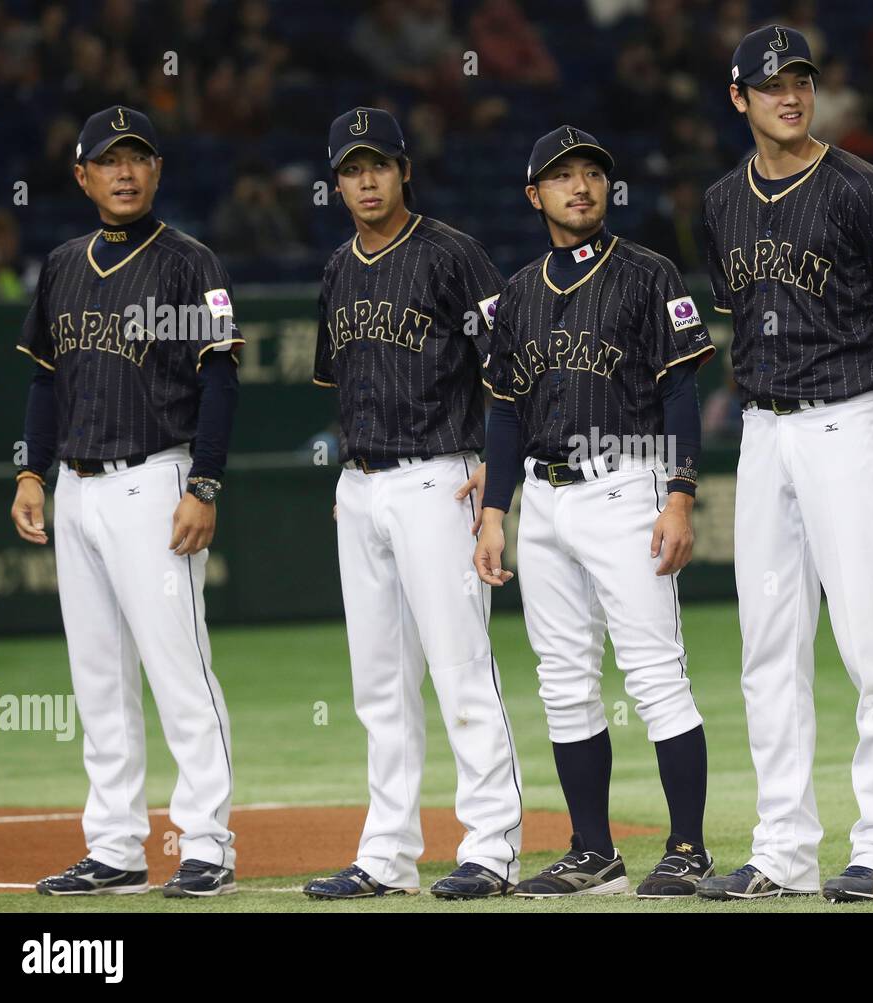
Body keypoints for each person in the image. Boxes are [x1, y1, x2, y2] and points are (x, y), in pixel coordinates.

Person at [697, 26, 873, 903]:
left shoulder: (864, 189)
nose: (789, 96)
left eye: (800, 80)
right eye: (770, 85)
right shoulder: (721, 201)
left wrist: (851, 385)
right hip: (765, 434)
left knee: (872, 641)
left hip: (849, 425)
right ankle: (783, 848)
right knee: (767, 647)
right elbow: (738, 316)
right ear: (739, 99)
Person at [476, 126, 717, 898]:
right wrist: (493, 510)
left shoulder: (649, 273)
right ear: (534, 195)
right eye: (561, 177)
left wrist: (681, 493)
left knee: (653, 673)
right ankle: (593, 850)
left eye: (591, 173)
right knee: (563, 679)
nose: (580, 186)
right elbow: (505, 412)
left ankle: (687, 847)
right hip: (543, 499)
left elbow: (682, 387)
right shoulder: (515, 294)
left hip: (627, 483)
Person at [14, 106, 243, 898]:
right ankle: (114, 845)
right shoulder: (63, 263)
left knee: (180, 668)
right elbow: (46, 380)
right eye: (108, 160)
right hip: (76, 487)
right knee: (99, 677)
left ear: (155, 171)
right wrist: (31, 473)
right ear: (81, 176)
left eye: (137, 157)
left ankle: (207, 843)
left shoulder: (190, 261)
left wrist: (205, 482)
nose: (123, 171)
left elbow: (220, 376)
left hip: (157, 478)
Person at [302, 107, 523, 902]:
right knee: (379, 685)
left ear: (404, 171)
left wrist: (497, 473)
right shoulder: (337, 268)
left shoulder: (452, 254)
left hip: (440, 477)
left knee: (462, 670)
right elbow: (344, 380)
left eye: (379, 166)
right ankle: (387, 854)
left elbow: (514, 363)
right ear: (337, 183)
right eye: (352, 169)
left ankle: (492, 846)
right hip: (363, 487)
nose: (366, 181)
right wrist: (351, 480)